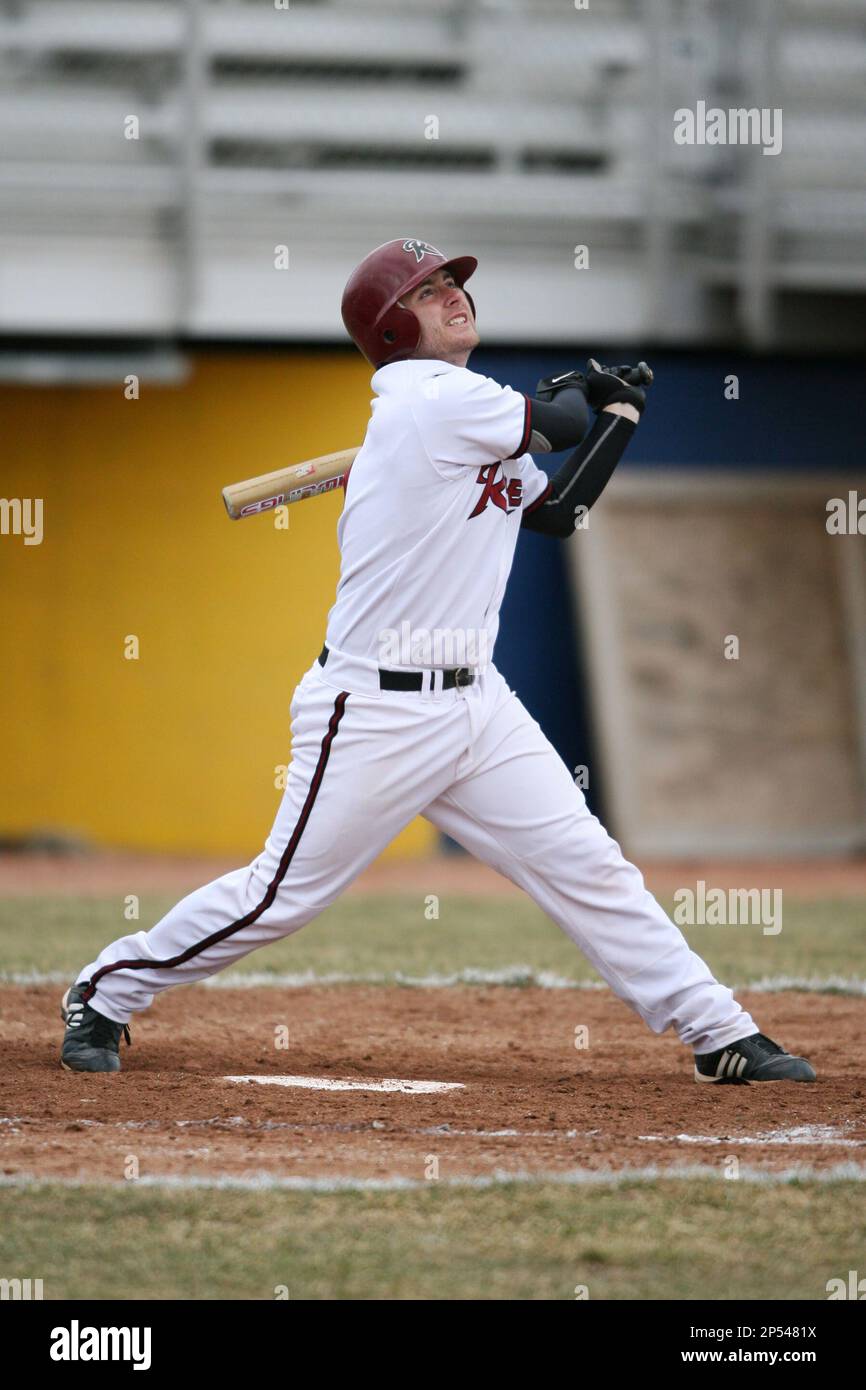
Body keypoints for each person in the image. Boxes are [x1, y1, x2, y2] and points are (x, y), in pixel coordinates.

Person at [60, 238, 815, 1086]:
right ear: (391, 328)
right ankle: (105, 990)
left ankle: (720, 1032)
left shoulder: (460, 411)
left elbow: (558, 512)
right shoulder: (427, 397)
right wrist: (580, 396)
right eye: (427, 289)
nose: (454, 295)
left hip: (477, 704)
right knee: (280, 897)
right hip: (373, 708)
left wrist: (619, 419)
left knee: (590, 866)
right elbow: (554, 423)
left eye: (454, 282)